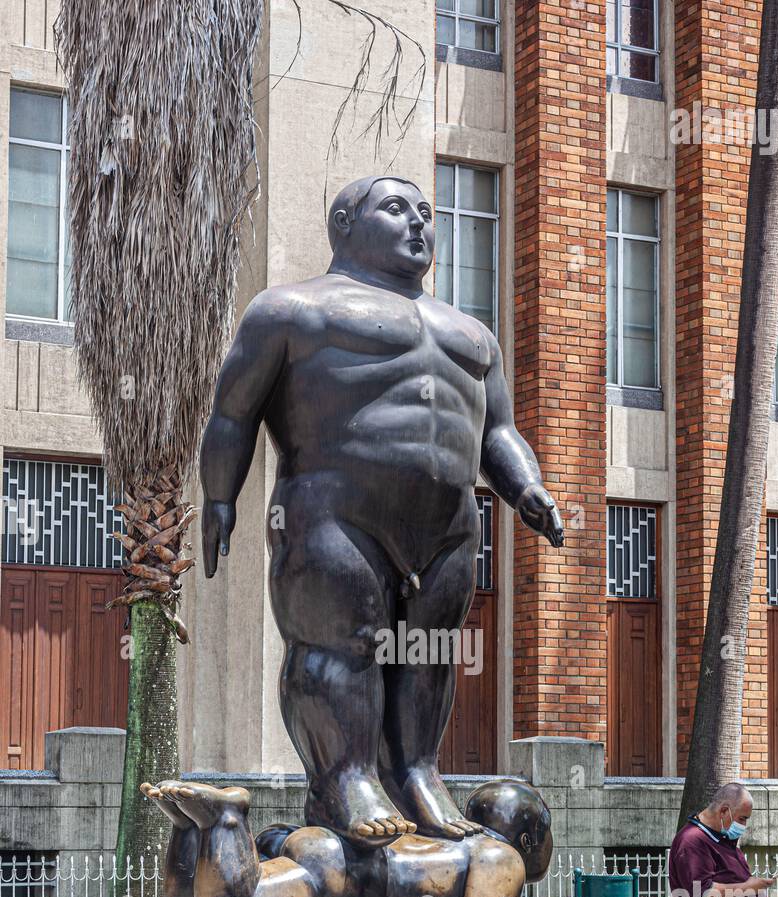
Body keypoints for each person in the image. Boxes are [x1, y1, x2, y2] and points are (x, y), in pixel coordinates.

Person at [199, 175, 563, 849]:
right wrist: (220, 496)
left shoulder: (471, 333)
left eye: (427, 212)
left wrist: (526, 487)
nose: (419, 223)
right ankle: (345, 778)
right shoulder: (291, 310)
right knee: (339, 646)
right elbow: (233, 412)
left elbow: (496, 434)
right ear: (345, 223)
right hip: (334, 511)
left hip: (448, 526)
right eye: (397, 209)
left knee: (428, 655)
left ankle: (418, 773)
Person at [140, 778, 603, 897]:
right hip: (356, 886)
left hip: (336, 857)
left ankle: (188, 833)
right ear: (527, 836)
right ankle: (223, 819)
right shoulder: (496, 852)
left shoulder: (455, 837)